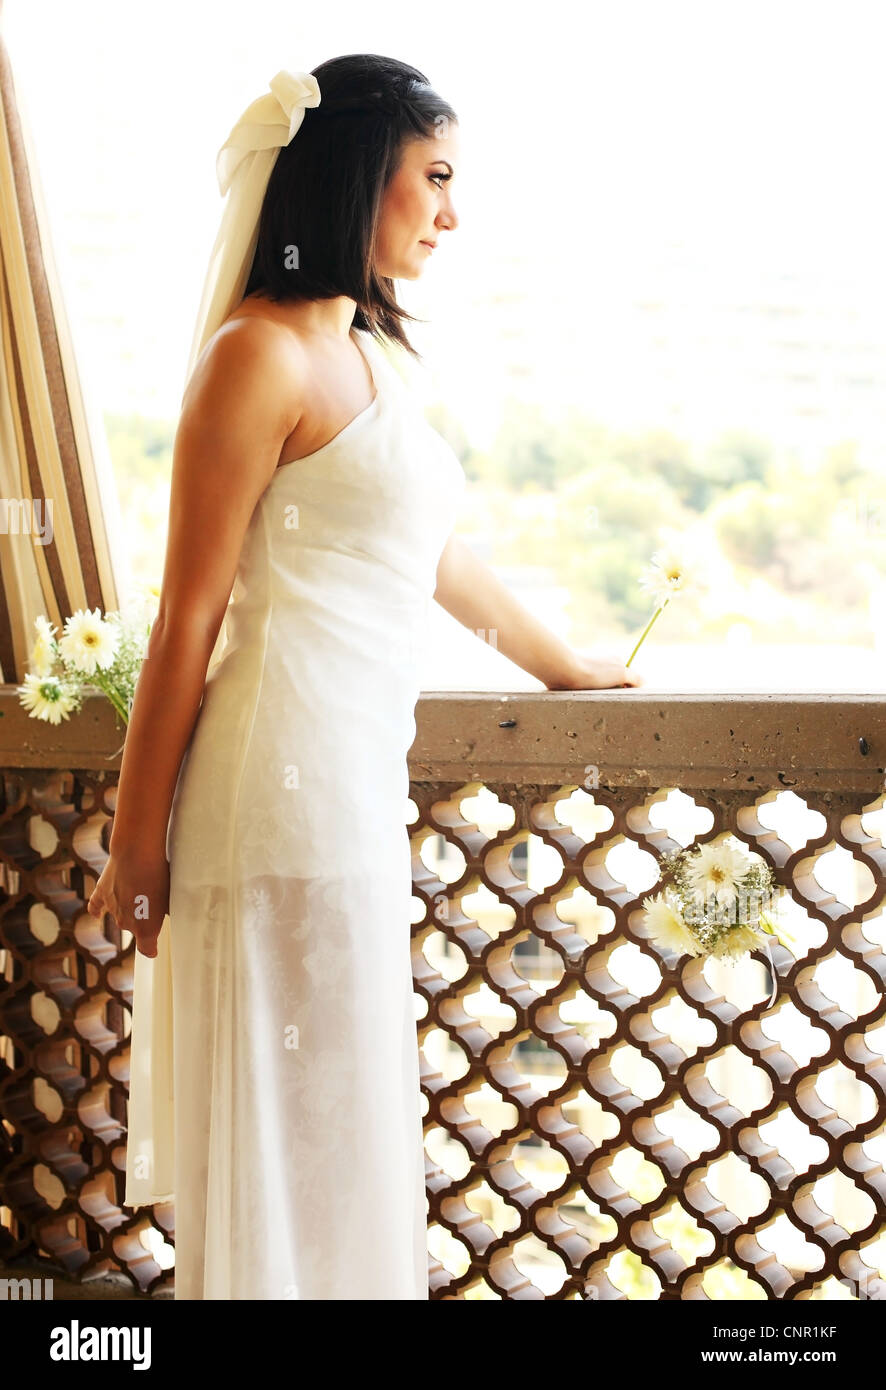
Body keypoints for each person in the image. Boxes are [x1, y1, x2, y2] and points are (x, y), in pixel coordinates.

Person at [86, 53, 644, 1301]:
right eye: (433, 179)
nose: (452, 213)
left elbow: (425, 547)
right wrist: (135, 844)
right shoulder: (256, 355)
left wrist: (562, 662)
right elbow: (187, 616)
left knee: (340, 1130)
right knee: (288, 1137)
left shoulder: (370, 353)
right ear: (354, 178)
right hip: (269, 792)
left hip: (347, 792)